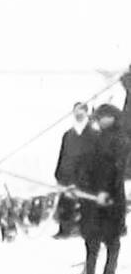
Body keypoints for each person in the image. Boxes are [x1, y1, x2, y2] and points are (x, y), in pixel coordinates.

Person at [70, 104, 127, 274]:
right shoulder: (98, 137)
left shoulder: (121, 140)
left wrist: (106, 192)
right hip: (93, 194)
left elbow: (117, 170)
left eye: (102, 117)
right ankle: (89, 271)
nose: (99, 121)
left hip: (111, 197)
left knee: (111, 237)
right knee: (90, 234)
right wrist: (78, 186)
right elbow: (89, 164)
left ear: (112, 117)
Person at [53, 102, 93, 239]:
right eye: (76, 112)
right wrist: (58, 175)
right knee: (65, 204)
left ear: (86, 113)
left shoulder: (92, 134)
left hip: (84, 177)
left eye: (81, 112)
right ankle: (64, 229)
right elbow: (62, 155)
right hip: (67, 175)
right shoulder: (68, 134)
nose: (78, 115)